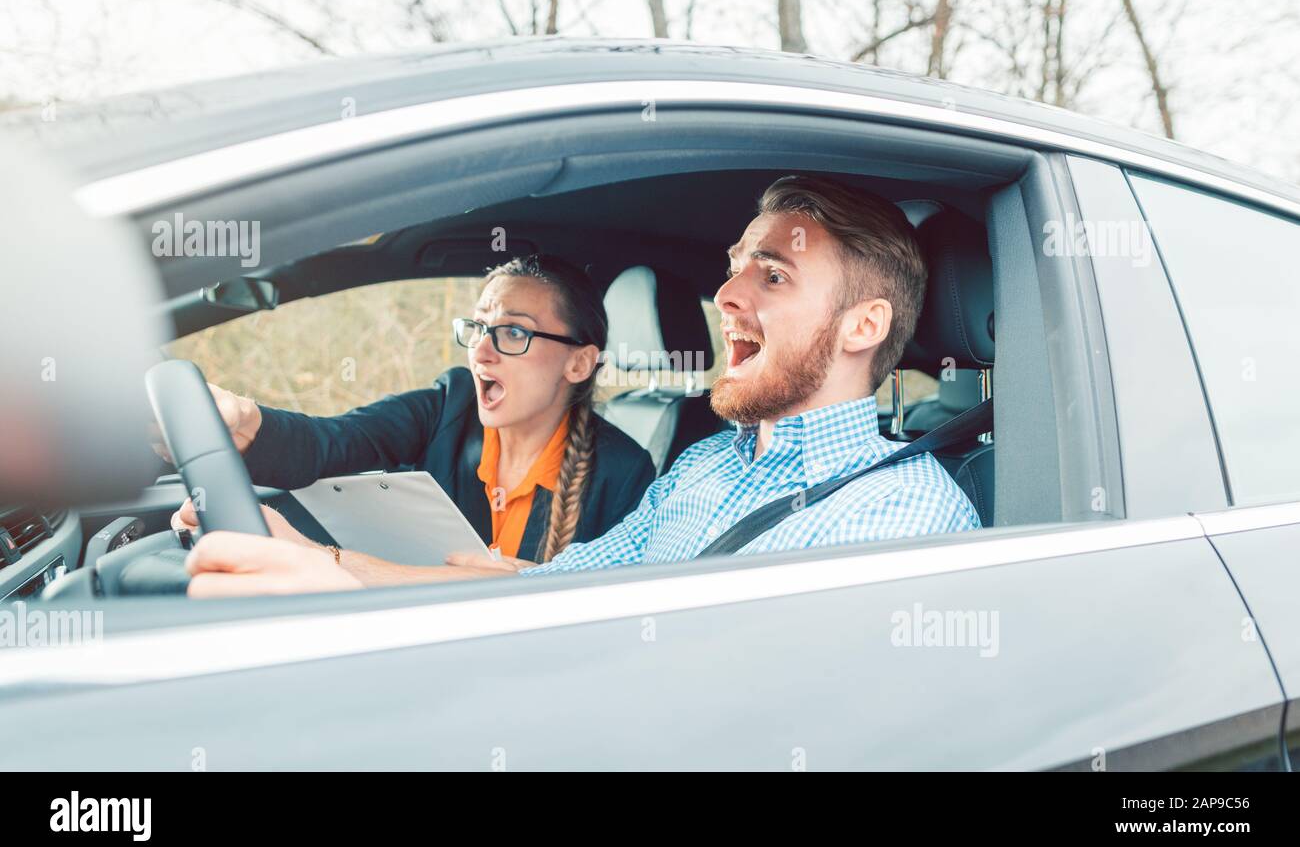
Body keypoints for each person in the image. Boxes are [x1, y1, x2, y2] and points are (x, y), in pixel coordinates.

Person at [181, 175, 980, 597]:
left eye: (772, 274)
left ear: (863, 327)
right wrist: (323, 565)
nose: (728, 296)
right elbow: (550, 589)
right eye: (735, 266)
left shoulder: (902, 516)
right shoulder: (703, 469)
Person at [171, 254, 656, 580]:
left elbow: (599, 604)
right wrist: (246, 422)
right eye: (479, 327)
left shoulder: (623, 471)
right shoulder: (451, 403)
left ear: (577, 362)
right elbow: (334, 442)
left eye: (513, 333)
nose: (482, 352)